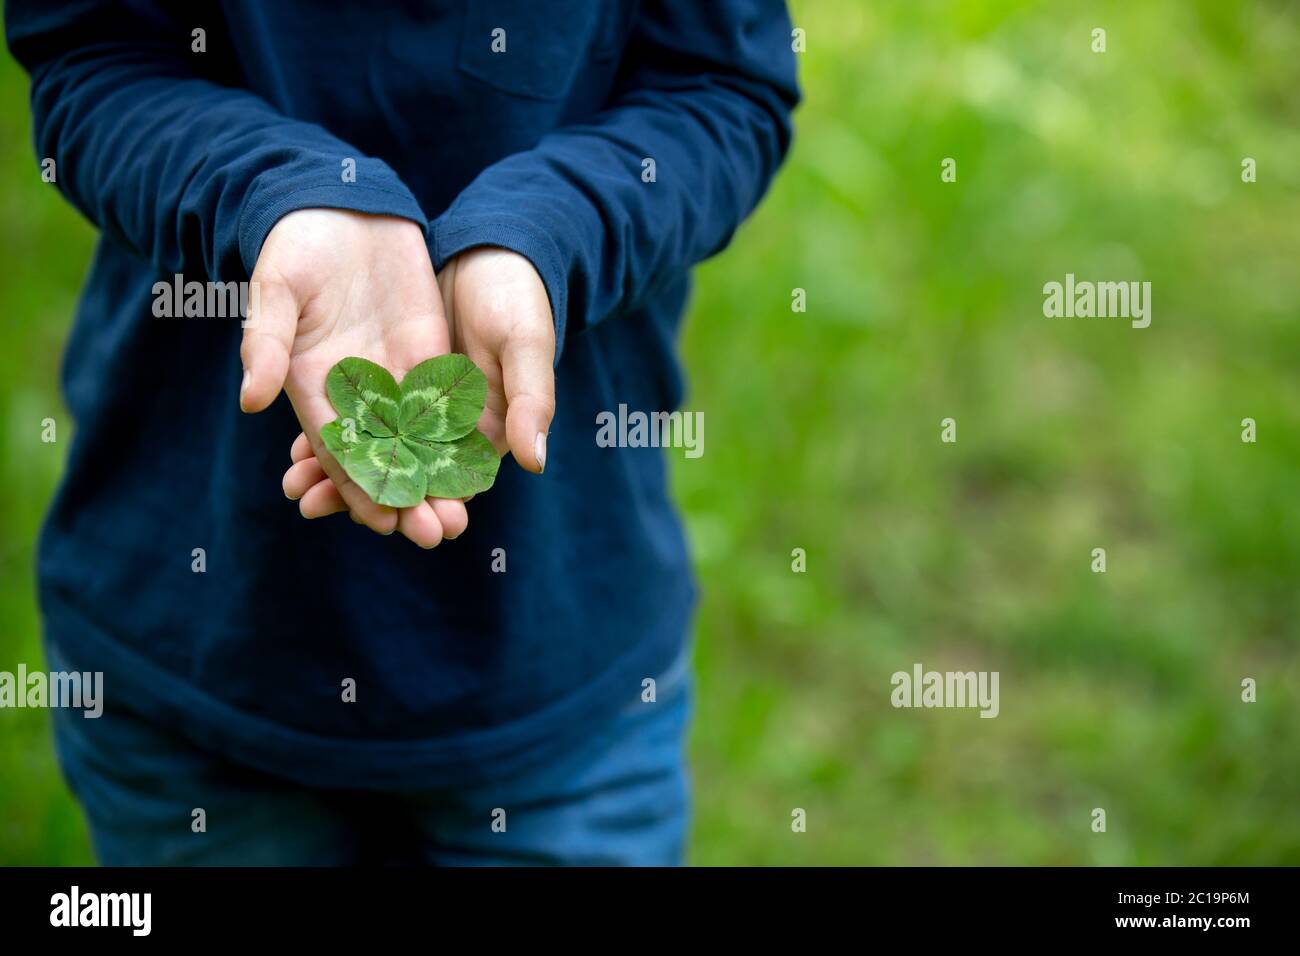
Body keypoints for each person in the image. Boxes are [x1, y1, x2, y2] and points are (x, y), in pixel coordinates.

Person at [5, 0, 799, 865]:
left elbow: (724, 85)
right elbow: (93, 51)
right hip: (193, 636)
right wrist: (277, 194)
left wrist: (546, 230)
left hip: (562, 648)